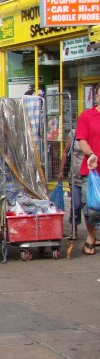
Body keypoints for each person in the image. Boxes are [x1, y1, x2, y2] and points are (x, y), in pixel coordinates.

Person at [74, 94, 100, 254]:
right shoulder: (87, 116)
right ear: (97, 95)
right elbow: (82, 140)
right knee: (91, 207)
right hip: (92, 169)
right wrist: (91, 154)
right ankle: (91, 235)